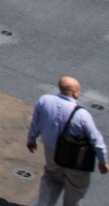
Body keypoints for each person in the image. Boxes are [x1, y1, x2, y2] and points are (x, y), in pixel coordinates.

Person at [27, 76, 108, 206]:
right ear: (74, 92)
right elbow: (96, 140)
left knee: (51, 179)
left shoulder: (44, 101)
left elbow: (35, 122)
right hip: (75, 158)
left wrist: (31, 139)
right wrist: (103, 162)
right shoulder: (82, 115)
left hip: (51, 152)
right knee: (76, 188)